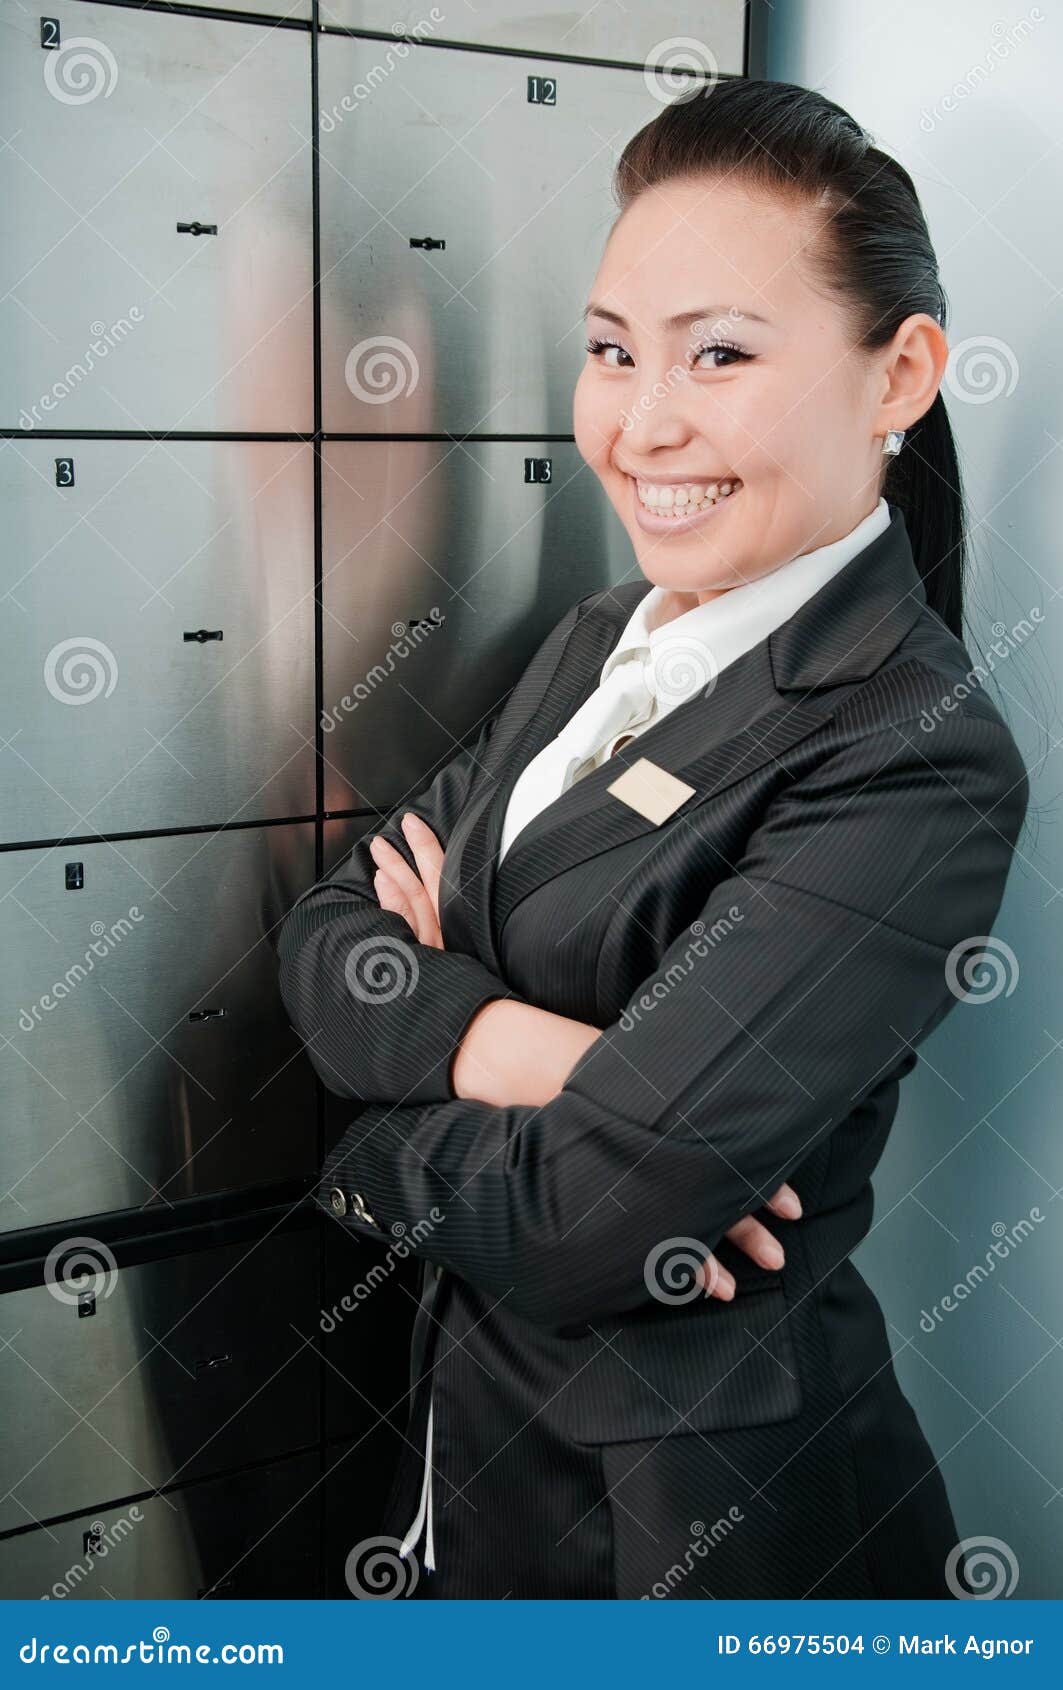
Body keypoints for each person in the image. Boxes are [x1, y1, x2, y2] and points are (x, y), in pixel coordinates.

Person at [277, 80, 1029, 1599]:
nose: (642, 423)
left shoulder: (911, 757)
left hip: (695, 1517)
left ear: (902, 377)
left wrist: (356, 1142)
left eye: (722, 355)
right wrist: (546, 1059)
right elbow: (323, 931)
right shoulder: (597, 641)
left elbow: (575, 1221)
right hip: (475, 1445)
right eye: (613, 351)